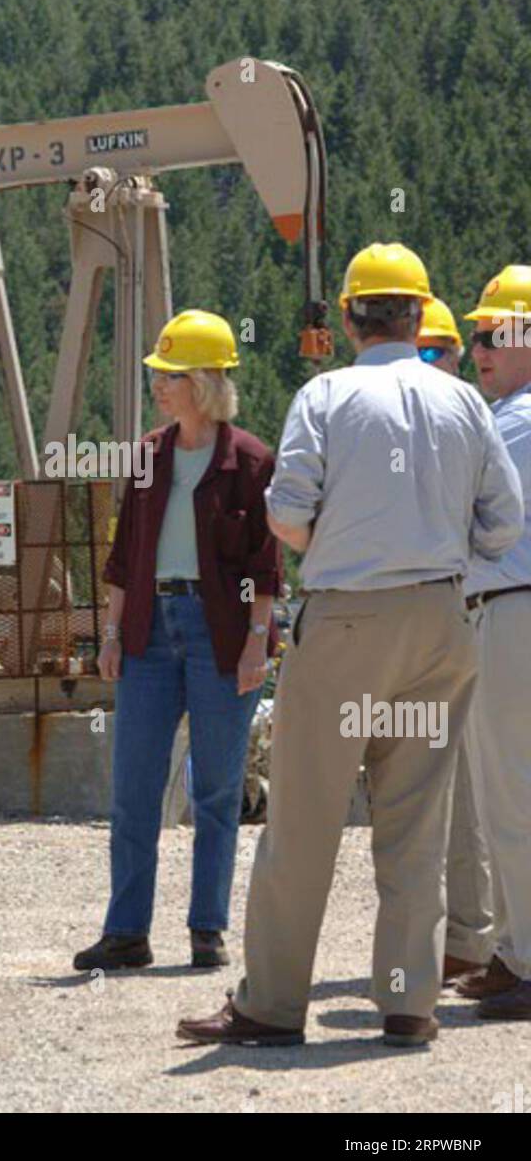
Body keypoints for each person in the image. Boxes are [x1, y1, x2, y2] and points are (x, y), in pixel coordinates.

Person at [177, 243, 523, 1049]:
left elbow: (287, 512)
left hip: (346, 621)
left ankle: (271, 1005)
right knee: (416, 819)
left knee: (304, 818)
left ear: (346, 317)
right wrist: (436, 557)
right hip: (441, 620)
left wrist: (338, 547)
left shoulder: (326, 395)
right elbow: (503, 523)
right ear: (418, 312)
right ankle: (408, 1002)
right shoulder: (464, 403)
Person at [74, 310, 282, 972]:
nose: (158, 387)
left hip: (221, 637)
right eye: (159, 376)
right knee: (134, 788)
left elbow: (266, 568)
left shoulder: (250, 461)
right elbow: (120, 557)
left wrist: (256, 645)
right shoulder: (145, 458)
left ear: (203, 381)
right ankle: (127, 934)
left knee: (217, 791)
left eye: (169, 376)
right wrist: (110, 633)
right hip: (148, 636)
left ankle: (206, 931)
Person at [453, 268, 531, 1019]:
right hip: (504, 609)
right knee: (505, 792)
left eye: (492, 334)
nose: (478, 347)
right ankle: (512, 953)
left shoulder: (513, 422)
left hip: (510, 610)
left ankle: (526, 960)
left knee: (509, 794)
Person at [417, 296, 494, 984]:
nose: (428, 364)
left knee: (481, 788)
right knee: (455, 788)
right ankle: (467, 940)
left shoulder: (480, 427)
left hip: (479, 618)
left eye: (437, 351)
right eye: (418, 352)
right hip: (444, 622)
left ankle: (478, 940)